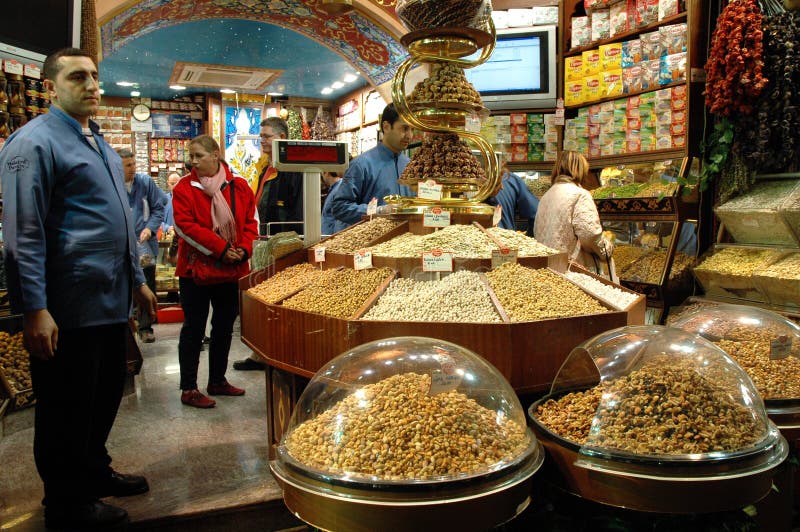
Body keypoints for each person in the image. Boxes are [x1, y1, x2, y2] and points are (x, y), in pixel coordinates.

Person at [0, 47, 157, 529]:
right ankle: (66, 504)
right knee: (66, 407)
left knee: (104, 393)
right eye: (76, 77)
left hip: (109, 300)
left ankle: (93, 471)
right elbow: (23, 232)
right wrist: (34, 308)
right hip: (66, 305)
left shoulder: (99, 143)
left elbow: (120, 220)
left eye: (93, 75)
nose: (90, 85)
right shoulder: (33, 144)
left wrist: (136, 282)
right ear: (50, 87)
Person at [172, 134, 258, 408]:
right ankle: (189, 388)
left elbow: (251, 223)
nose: (193, 161)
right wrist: (221, 249)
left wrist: (243, 249)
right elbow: (185, 226)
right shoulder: (184, 188)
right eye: (191, 156)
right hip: (194, 271)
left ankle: (217, 380)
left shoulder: (239, 186)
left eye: (198, 156)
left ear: (215, 155)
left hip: (230, 270)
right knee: (194, 329)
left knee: (223, 327)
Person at [331, 103, 413, 226]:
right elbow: (340, 207)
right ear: (386, 127)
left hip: (411, 236)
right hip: (375, 236)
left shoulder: (411, 166)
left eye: (412, 129)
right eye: (404, 128)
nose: (410, 136)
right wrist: (378, 211)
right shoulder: (361, 165)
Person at [534, 150, 614, 275]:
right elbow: (590, 234)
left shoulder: (545, 197)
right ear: (580, 170)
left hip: (548, 270)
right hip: (573, 271)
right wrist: (607, 250)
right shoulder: (580, 195)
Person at [117, 148, 167, 343]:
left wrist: (150, 228)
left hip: (145, 244)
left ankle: (146, 327)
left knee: (146, 284)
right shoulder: (112, 184)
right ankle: (127, 327)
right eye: (128, 165)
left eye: (134, 164)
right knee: (124, 286)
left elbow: (159, 207)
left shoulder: (145, 182)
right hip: (122, 245)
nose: (133, 168)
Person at [253, 116, 303, 236]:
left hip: (283, 240)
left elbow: (298, 212)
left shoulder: (294, 170)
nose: (262, 141)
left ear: (282, 137)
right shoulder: (264, 167)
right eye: (261, 136)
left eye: (267, 136)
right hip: (264, 236)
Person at [486, 163, 539, 235]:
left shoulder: (511, 179)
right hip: (505, 239)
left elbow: (536, 214)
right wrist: (529, 236)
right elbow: (536, 214)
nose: (502, 187)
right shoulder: (511, 180)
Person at [321, 171, 346, 235]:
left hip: (333, 236)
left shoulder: (339, 188)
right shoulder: (335, 188)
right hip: (329, 236)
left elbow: (341, 217)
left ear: (326, 172)